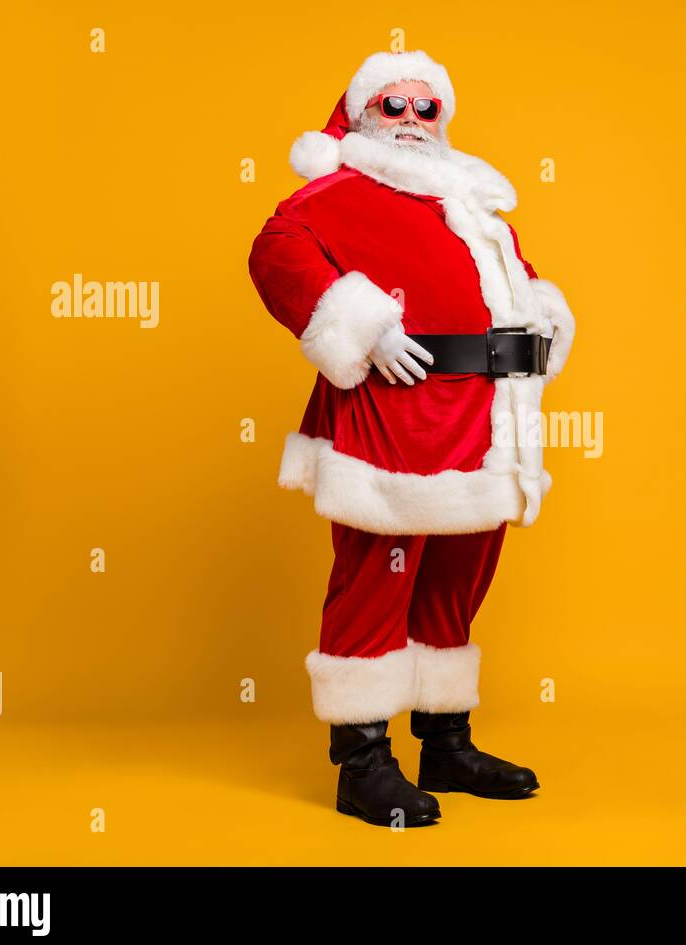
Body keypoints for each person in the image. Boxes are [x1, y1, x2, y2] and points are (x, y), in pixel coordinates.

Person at [247, 49, 576, 827]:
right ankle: (361, 762)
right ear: (362, 115)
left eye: (425, 109)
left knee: (456, 579)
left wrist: (541, 316)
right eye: (392, 106)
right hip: (394, 419)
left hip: (484, 422)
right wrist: (357, 323)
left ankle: (445, 744)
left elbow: (512, 280)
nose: (410, 122)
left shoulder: (467, 197)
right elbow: (273, 253)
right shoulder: (336, 194)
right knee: (376, 579)